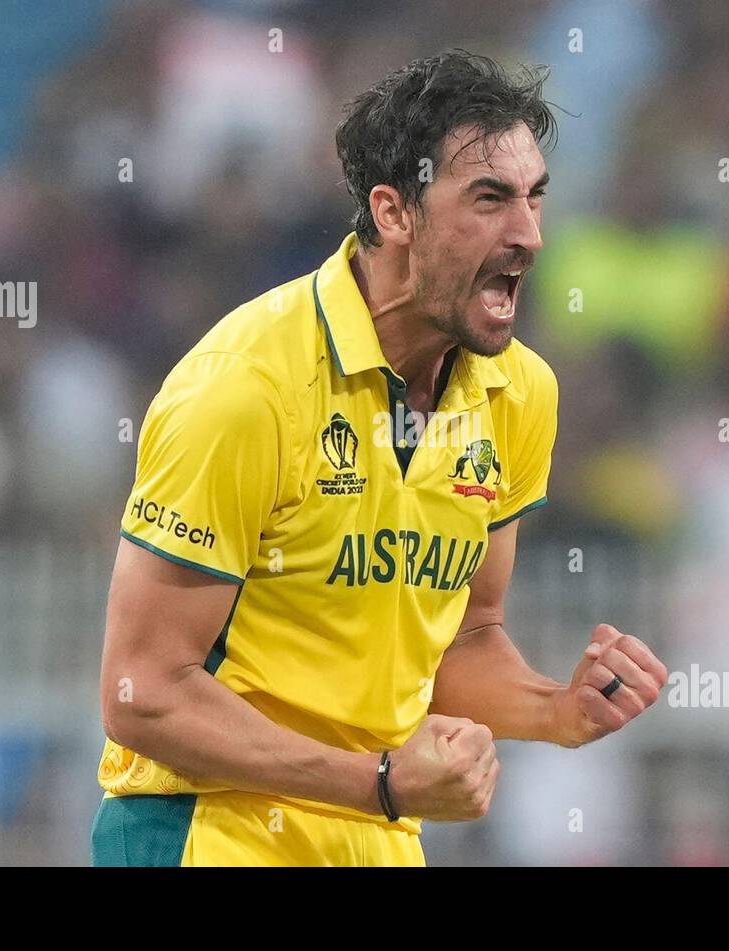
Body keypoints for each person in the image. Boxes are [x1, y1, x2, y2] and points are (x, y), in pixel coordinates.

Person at [90, 51, 668, 867]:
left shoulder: (520, 394)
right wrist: (381, 782)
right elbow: (142, 694)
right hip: (206, 833)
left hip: (379, 841)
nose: (529, 235)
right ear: (393, 213)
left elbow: (462, 642)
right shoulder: (245, 389)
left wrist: (556, 709)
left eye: (536, 198)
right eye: (490, 200)